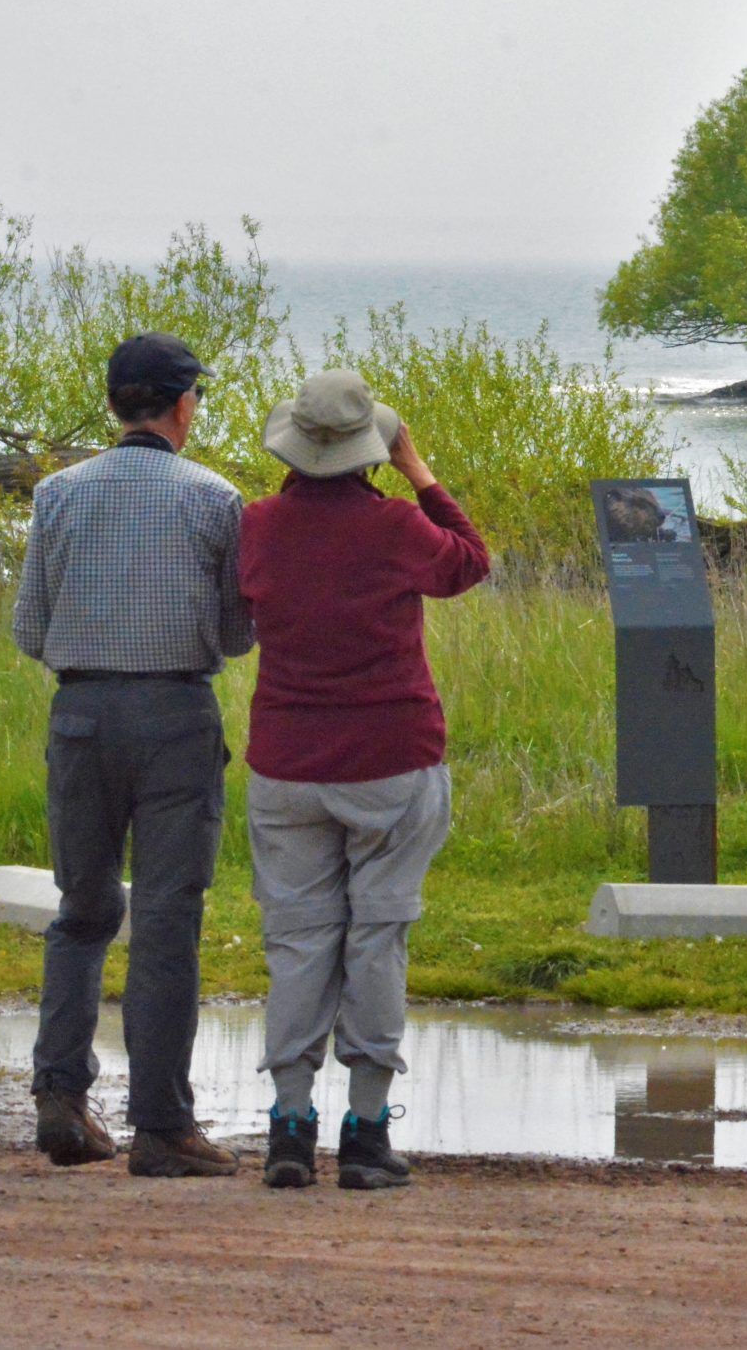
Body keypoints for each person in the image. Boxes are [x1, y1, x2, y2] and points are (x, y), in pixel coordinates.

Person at [240, 368, 489, 1189]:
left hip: (286, 762)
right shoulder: (393, 527)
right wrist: (421, 472)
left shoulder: (258, 527)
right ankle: (367, 1129)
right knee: (377, 935)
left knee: (298, 938)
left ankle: (288, 1122)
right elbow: (469, 563)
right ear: (370, 451)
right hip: (390, 757)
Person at [14, 331, 253, 1178]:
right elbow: (233, 632)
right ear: (183, 404)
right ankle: (161, 1124)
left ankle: (61, 1095)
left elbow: (30, 629)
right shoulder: (216, 499)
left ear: (116, 402)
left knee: (81, 909)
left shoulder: (58, 494)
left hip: (79, 714)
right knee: (165, 921)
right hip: (177, 720)